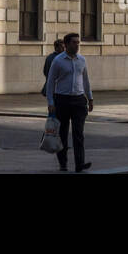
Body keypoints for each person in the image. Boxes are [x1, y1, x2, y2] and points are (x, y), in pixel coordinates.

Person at [45, 32, 94, 172]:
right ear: (66, 45)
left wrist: (90, 98)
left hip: (79, 100)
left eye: (78, 42)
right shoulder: (58, 61)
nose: (77, 45)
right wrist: (50, 102)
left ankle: (80, 164)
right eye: (74, 42)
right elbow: (50, 82)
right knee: (63, 134)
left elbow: (85, 80)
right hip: (62, 100)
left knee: (78, 134)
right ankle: (63, 163)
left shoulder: (82, 60)